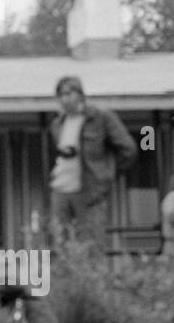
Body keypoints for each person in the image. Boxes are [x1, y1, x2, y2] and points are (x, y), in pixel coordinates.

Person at [49, 75, 136, 248]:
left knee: (91, 246)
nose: (64, 99)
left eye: (68, 93)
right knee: (59, 245)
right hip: (60, 189)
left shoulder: (101, 117)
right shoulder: (58, 123)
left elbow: (128, 149)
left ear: (80, 94)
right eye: (60, 95)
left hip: (89, 192)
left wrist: (106, 176)